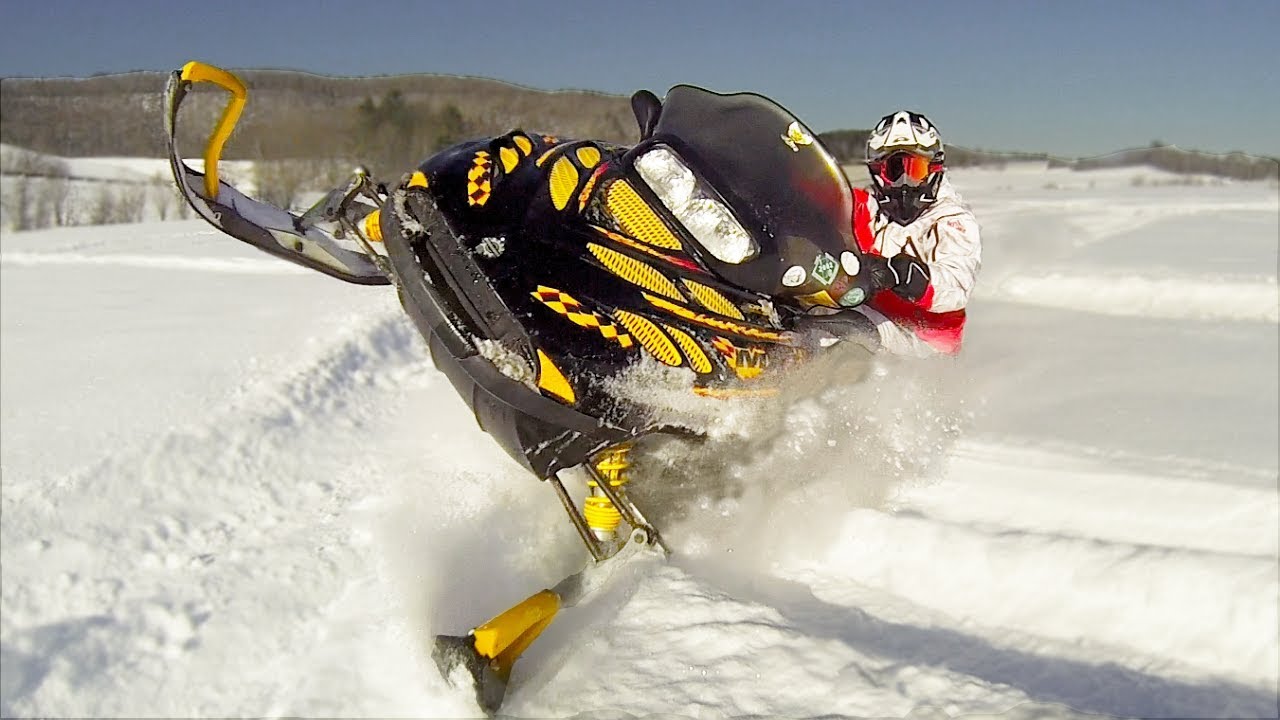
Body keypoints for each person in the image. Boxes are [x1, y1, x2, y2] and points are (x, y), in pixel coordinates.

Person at [845, 111, 982, 356]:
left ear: (934, 168)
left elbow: (957, 284)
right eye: (894, 171)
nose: (905, 182)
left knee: (837, 329)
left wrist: (906, 275)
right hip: (865, 310)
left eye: (915, 169)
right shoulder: (865, 205)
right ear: (878, 172)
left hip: (925, 343)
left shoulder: (951, 220)